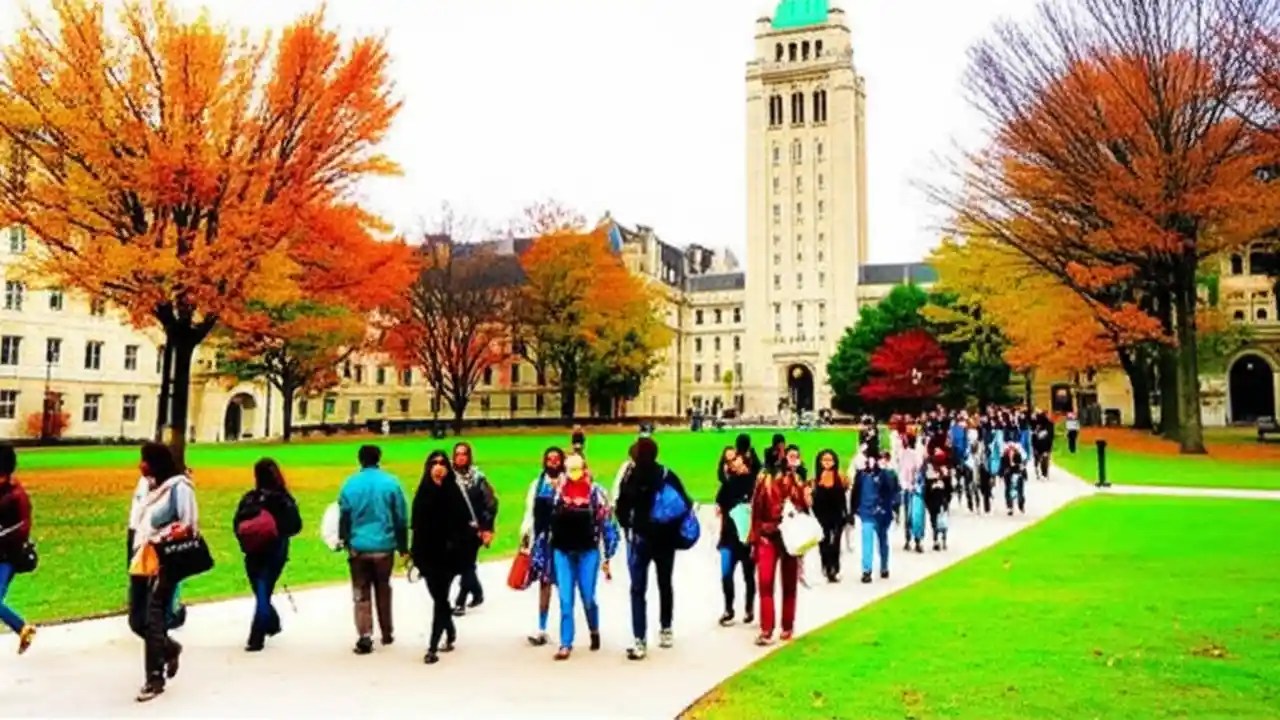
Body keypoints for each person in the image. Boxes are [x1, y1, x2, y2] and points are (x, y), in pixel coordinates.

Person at [130, 442, 198, 702]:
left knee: (153, 617)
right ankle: (169, 648)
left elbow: (188, 522)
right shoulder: (150, 487)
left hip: (165, 561)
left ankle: (154, 678)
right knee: (137, 620)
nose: (141, 464)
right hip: (143, 558)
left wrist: (162, 538)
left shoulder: (180, 488)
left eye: (145, 459)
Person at [614, 437, 691, 660]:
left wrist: (629, 526)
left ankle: (640, 639)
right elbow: (683, 504)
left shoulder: (631, 477)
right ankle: (666, 628)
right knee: (664, 583)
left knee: (638, 589)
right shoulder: (667, 475)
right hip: (665, 540)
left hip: (640, 539)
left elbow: (621, 508)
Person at [337, 445, 408, 655]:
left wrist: (345, 540)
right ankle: (387, 630)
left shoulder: (350, 484)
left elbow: (345, 516)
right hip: (384, 546)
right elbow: (401, 517)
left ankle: (365, 635)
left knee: (361, 591)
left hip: (359, 546)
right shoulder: (391, 483)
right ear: (379, 459)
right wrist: (403, 546)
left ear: (360, 460)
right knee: (383, 587)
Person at [549, 454, 619, 660]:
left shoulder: (596, 493)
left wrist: (607, 558)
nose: (574, 474)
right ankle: (565, 643)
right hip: (562, 550)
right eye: (570, 469)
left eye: (577, 469)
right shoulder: (558, 492)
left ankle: (593, 628)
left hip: (588, 551)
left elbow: (607, 526)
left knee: (588, 596)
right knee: (565, 599)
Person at [411, 450, 476, 664]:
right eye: (434, 463)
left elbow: (465, 526)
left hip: (448, 558)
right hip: (428, 557)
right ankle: (449, 627)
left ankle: (432, 647)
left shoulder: (454, 494)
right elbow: (417, 528)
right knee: (439, 598)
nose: (438, 467)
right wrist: (415, 557)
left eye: (442, 463)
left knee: (440, 600)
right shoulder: (422, 495)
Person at [232, 459, 303, 652]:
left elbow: (236, 525)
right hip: (276, 549)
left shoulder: (249, 499)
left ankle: (260, 632)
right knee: (265, 590)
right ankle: (267, 624)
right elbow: (295, 526)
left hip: (253, 550)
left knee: (261, 590)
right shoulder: (283, 499)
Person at [749, 460, 810, 645]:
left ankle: (785, 626)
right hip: (769, 536)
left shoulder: (795, 483)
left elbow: (804, 510)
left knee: (787, 583)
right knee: (766, 583)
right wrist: (755, 538)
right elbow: (756, 511)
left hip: (788, 536)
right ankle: (768, 629)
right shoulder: (765, 483)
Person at [519, 447, 567, 646]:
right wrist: (525, 535)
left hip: (566, 541)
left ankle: (569, 628)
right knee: (545, 583)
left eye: (557, 459)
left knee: (565, 586)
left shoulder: (569, 483)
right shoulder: (537, 485)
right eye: (549, 459)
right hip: (544, 540)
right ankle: (542, 627)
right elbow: (529, 512)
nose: (553, 462)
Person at [452, 442, 497, 616]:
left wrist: (485, 526)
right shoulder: (449, 478)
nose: (461, 457)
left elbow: (491, 504)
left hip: (473, 530)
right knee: (463, 564)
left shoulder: (478, 478)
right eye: (458, 454)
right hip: (454, 530)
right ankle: (477, 591)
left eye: (464, 454)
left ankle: (460, 601)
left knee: (467, 564)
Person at [0, 443, 35, 655]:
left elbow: (23, 529)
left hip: (6, 558)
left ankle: (21, 626)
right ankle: (21, 628)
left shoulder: (17, 496)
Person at [715, 449, 756, 626]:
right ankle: (728, 608)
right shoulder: (727, 485)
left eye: (736, 460)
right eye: (730, 462)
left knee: (748, 575)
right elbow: (720, 509)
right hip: (728, 537)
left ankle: (749, 608)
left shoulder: (754, 484)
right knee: (726, 574)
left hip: (746, 537)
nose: (733, 464)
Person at [851, 454, 899, 583]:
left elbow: (892, 490)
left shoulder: (886, 474)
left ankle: (884, 566)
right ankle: (867, 570)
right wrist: (853, 511)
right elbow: (855, 493)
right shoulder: (861, 476)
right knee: (867, 540)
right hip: (866, 512)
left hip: (882, 512)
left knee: (882, 539)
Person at [811, 450, 849, 583]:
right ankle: (826, 566)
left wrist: (847, 514)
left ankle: (835, 568)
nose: (827, 463)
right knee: (824, 542)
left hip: (837, 515)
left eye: (830, 460)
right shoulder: (815, 480)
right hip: (821, 516)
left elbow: (843, 498)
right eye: (824, 460)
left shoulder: (840, 478)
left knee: (836, 543)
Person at [897, 432, 925, 552]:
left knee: (913, 515)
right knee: (911, 515)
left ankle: (914, 540)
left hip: (912, 488)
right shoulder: (905, 454)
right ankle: (911, 539)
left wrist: (911, 484)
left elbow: (917, 470)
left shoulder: (911, 454)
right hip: (909, 488)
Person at [923, 450, 952, 551]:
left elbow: (927, 488)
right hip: (938, 501)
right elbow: (949, 489)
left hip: (935, 501)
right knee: (940, 520)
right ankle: (941, 540)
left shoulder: (932, 472)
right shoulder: (944, 471)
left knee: (936, 521)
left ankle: (938, 540)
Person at [1001, 440, 1028, 516]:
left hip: (1018, 474)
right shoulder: (1005, 455)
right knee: (1008, 490)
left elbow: (1023, 466)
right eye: (1010, 450)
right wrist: (1002, 474)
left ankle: (1021, 505)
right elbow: (1002, 466)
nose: (1011, 451)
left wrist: (1024, 474)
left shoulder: (1019, 454)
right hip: (1008, 475)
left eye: (1013, 450)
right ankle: (1010, 507)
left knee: (1020, 491)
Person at [1032, 411, 1055, 480]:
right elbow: (1034, 436)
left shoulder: (1050, 425)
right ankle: (1037, 469)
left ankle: (1044, 473)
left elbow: (1051, 436)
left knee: (1045, 459)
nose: (1048, 416)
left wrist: (1049, 447)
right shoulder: (1037, 425)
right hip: (1038, 446)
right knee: (1037, 459)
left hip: (1046, 446)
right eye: (1047, 415)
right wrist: (1034, 446)